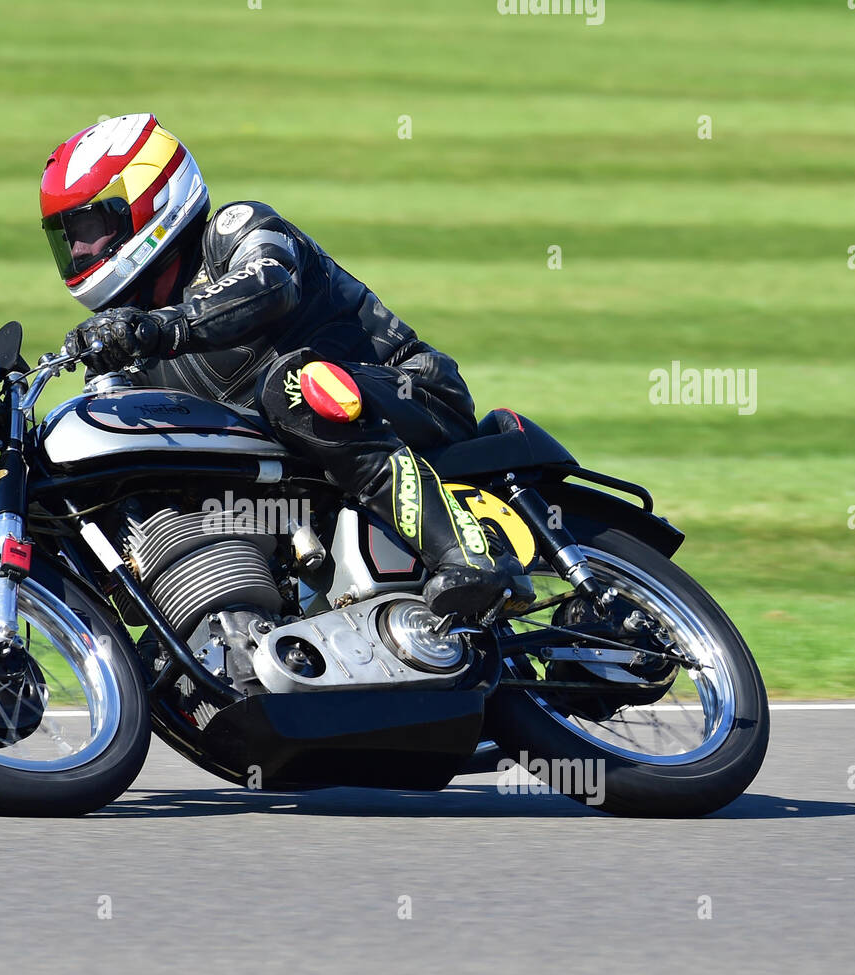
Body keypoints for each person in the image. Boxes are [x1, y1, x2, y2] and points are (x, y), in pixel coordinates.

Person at [41, 113, 530, 620]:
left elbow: (270, 286)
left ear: (149, 198)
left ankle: (469, 551)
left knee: (293, 384)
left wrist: (162, 328)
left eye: (90, 227)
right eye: (66, 238)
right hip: (308, 485)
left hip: (414, 397)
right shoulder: (135, 353)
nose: (78, 250)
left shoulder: (235, 230)